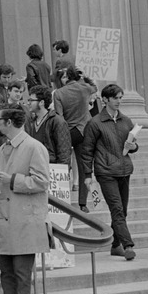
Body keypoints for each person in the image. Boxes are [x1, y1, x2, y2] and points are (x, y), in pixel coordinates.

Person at [0, 104, 51, 294]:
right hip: (7, 218)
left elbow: (42, 182)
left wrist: (11, 179)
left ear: (9, 122)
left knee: (22, 273)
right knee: (7, 272)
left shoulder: (34, 147)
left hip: (24, 220)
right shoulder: (5, 148)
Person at [81, 84, 140, 260]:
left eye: (121, 98)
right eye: (116, 98)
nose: (119, 101)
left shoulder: (127, 121)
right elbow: (87, 151)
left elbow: (134, 146)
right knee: (117, 209)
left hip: (124, 169)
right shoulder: (95, 123)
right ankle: (127, 245)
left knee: (123, 211)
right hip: (105, 171)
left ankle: (115, 245)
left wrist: (133, 146)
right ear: (105, 99)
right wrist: (87, 176)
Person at [52, 64, 97, 211]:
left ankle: (62, 200)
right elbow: (94, 87)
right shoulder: (84, 88)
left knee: (64, 166)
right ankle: (83, 203)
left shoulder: (58, 93)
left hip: (67, 132)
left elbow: (59, 116)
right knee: (85, 168)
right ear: (77, 76)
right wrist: (85, 76)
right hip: (84, 131)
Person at [25, 85, 72, 164]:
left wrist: (63, 171)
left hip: (51, 168)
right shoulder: (31, 122)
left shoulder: (57, 121)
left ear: (41, 102)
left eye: (31, 100)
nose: (28, 103)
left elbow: (64, 152)